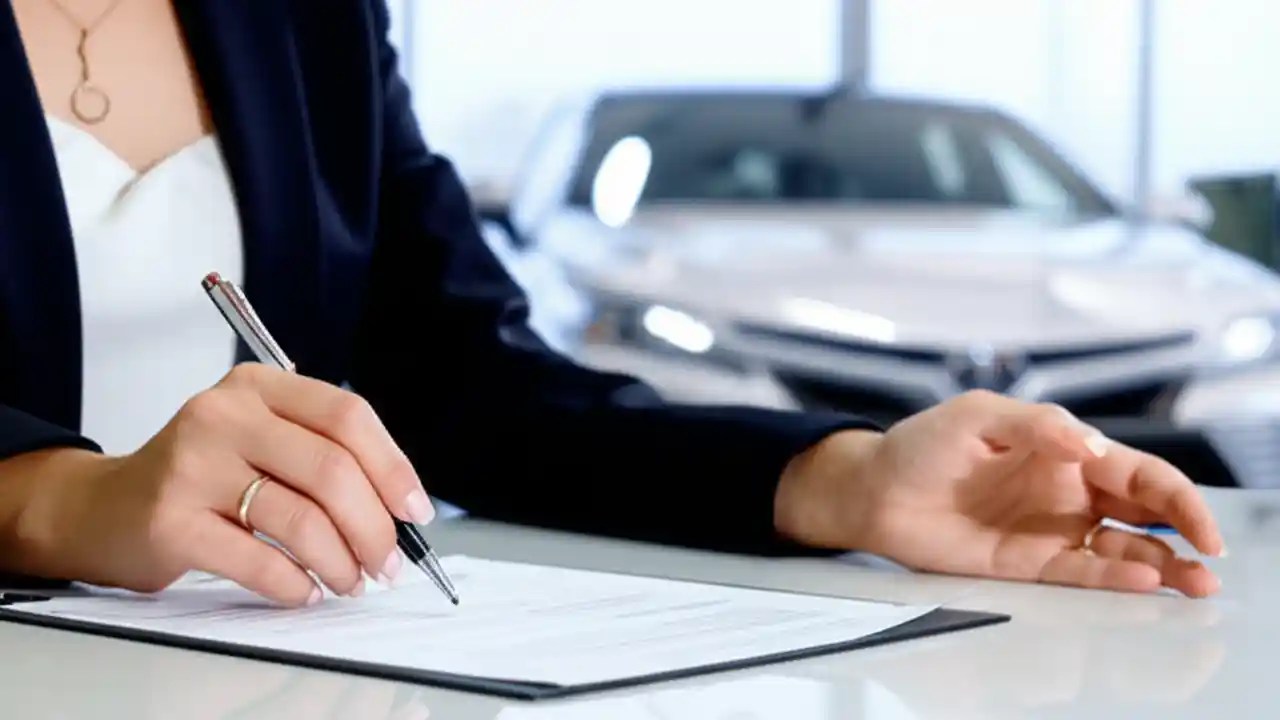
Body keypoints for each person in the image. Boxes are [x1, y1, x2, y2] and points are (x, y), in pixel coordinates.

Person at [0, 0, 1224, 608]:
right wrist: (58, 501)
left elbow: (478, 391)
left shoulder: (303, 15)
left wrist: (840, 480)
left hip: (257, 674)